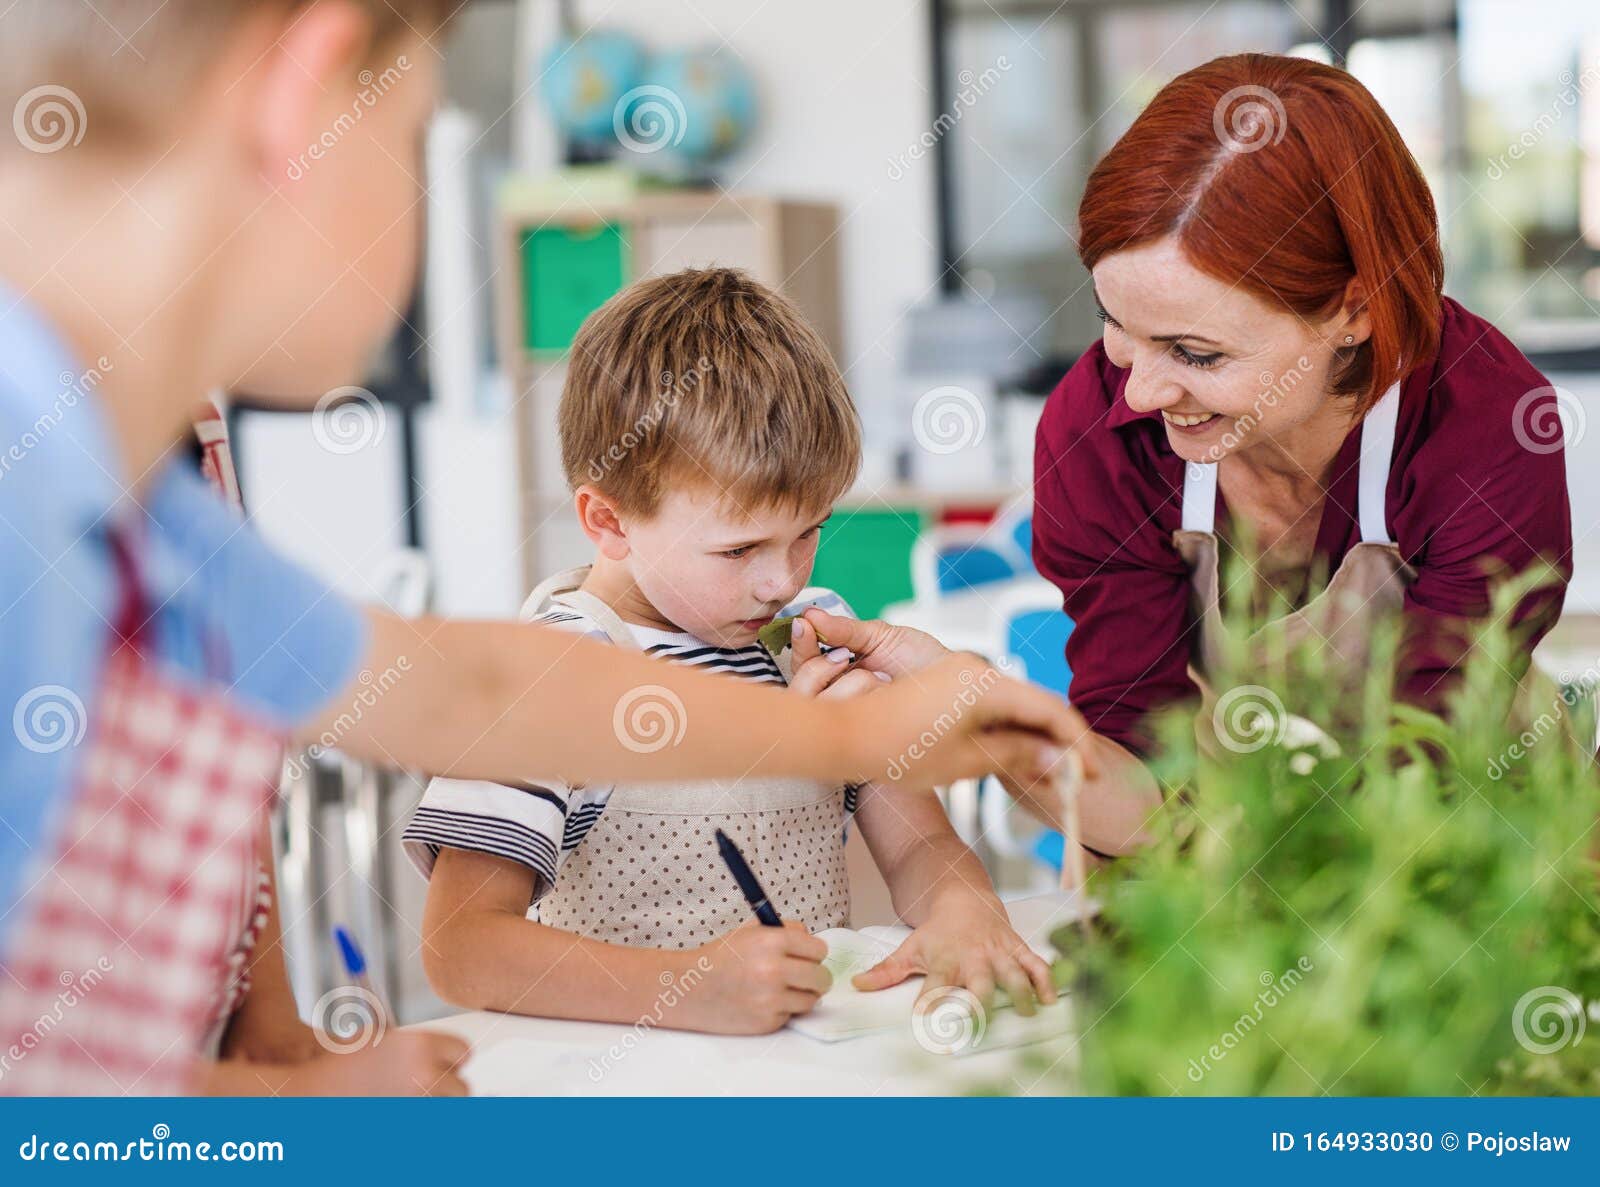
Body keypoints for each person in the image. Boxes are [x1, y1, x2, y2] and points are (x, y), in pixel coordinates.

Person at [0, 0, 1084, 1096]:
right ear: (301, 95)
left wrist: (869, 738)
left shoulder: (141, 493)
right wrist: (296, 1101)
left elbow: (466, 684)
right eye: (415, 134)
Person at [406, 269, 1057, 1035]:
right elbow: (461, 947)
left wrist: (966, 908)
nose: (781, 580)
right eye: (738, 548)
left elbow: (923, 847)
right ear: (607, 520)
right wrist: (680, 989)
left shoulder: (815, 633)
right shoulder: (553, 674)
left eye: (809, 531)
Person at [1009, 53, 1572, 859]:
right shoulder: (1095, 429)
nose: (1136, 395)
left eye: (1195, 353)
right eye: (1117, 324)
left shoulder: (1488, 427)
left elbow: (1427, 757)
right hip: (1223, 841)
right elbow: (1139, 740)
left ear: (1355, 309)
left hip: (1468, 846)